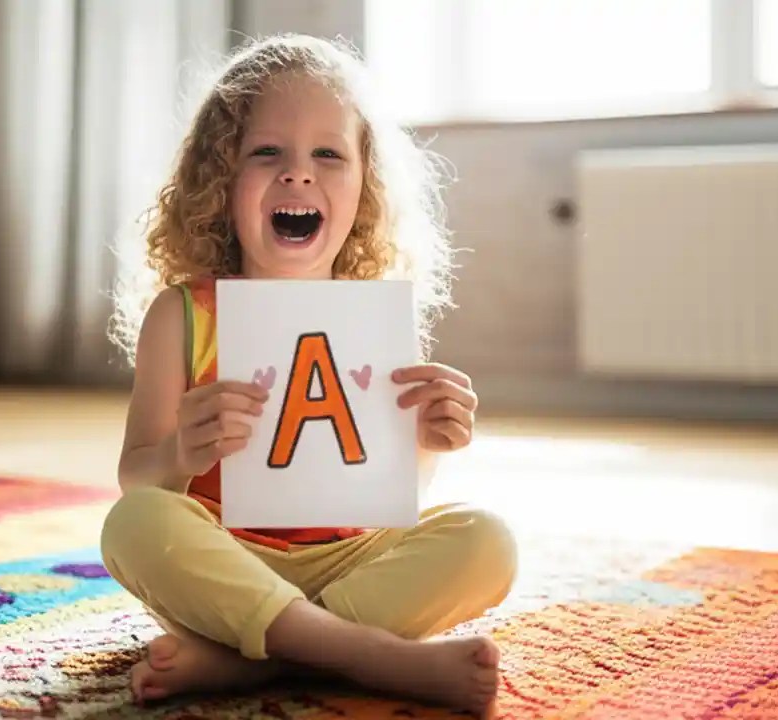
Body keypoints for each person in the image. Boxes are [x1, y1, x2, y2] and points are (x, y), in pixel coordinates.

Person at [101, 33, 517, 717]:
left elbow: (389, 490)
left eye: (328, 154)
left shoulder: (377, 315)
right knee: (135, 522)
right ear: (220, 180)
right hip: (224, 563)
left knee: (487, 541)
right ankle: (368, 655)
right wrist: (179, 452)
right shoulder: (182, 316)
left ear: (364, 186)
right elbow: (138, 477)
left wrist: (429, 441)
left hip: (348, 562)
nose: (299, 174)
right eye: (267, 152)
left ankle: (247, 662)